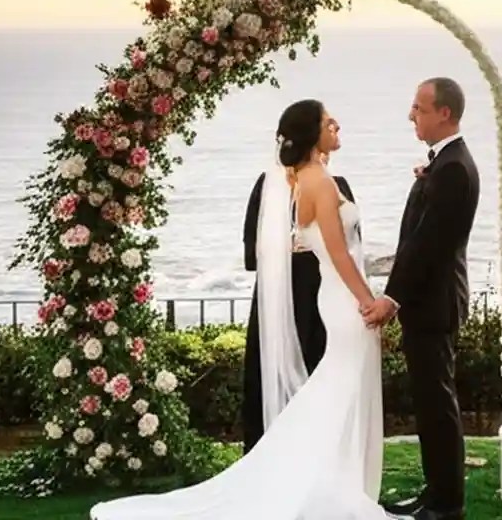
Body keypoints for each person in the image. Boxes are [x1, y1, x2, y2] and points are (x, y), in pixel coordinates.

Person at [90, 99, 387, 520]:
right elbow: (337, 254)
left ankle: (323, 479)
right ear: (310, 133)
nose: (335, 123)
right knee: (336, 390)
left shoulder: (304, 180)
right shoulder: (317, 181)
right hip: (339, 296)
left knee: (330, 389)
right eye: (326, 121)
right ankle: (323, 481)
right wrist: (369, 300)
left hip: (332, 296)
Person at [362, 77, 479, 520]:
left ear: (443, 113)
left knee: (439, 406)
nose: (412, 115)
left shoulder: (452, 167)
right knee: (430, 405)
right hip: (429, 303)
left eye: (418, 107)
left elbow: (429, 243)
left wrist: (391, 299)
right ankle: (435, 493)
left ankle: (448, 504)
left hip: (435, 304)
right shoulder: (444, 163)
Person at [240, 121, 357, 453]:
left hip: (291, 301)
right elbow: (350, 250)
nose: (336, 125)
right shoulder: (335, 187)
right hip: (317, 299)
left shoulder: (268, 188)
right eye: (326, 123)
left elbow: (252, 255)